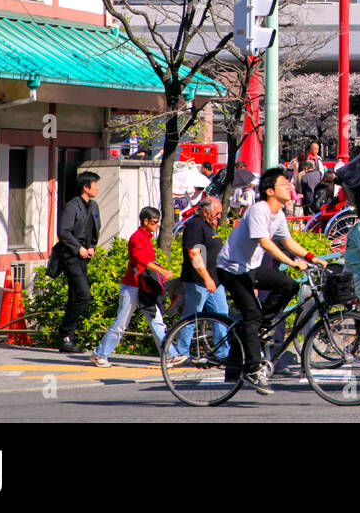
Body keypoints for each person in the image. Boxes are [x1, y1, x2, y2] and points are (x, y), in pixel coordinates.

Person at [215, 167, 319, 394]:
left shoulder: (278, 214)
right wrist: (292, 263)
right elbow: (266, 243)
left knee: (288, 285)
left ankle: (263, 325)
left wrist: (313, 258)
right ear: (270, 191)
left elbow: (288, 243)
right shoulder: (259, 210)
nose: (291, 186)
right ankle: (252, 370)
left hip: (249, 269)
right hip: (231, 269)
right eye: (285, 183)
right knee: (250, 314)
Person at [91, 206, 175, 368]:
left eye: (157, 222)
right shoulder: (137, 237)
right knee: (121, 323)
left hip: (143, 287)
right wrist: (161, 271)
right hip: (131, 287)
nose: (157, 225)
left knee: (156, 320)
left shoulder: (146, 238)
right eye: (154, 222)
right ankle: (100, 354)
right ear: (145, 221)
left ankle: (171, 355)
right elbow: (140, 259)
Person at [170, 196, 228, 361]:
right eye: (216, 214)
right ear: (205, 212)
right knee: (192, 315)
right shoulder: (195, 225)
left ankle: (222, 353)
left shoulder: (209, 225)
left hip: (215, 281)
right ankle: (182, 352)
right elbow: (194, 254)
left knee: (222, 315)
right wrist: (207, 277)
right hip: (198, 281)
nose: (219, 217)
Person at [53, 171, 101, 353]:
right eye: (94, 185)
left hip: (84, 257)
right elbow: (63, 232)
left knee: (75, 296)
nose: (97, 188)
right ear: (85, 187)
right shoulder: (72, 206)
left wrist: (92, 247)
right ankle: (64, 334)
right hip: (70, 256)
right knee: (83, 294)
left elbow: (95, 229)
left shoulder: (94, 206)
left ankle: (66, 340)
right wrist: (78, 248)